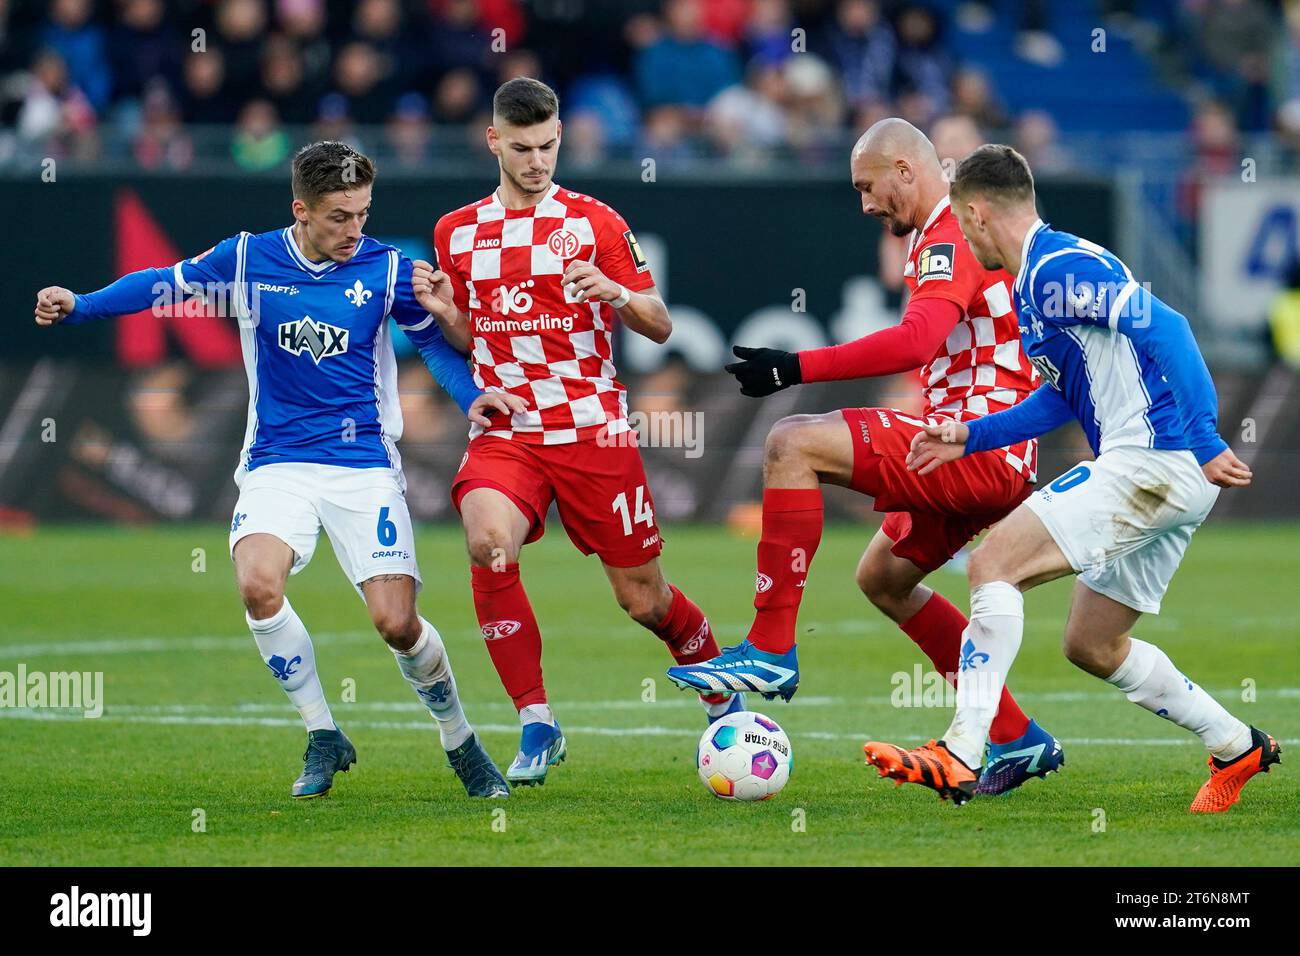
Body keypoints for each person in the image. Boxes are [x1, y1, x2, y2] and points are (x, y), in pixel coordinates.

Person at [33, 141, 521, 801]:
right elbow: (160, 285)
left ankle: (459, 739)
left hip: (363, 465)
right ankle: (323, 733)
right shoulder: (246, 259)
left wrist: (472, 401)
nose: (355, 230)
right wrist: (82, 302)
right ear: (301, 209)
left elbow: (434, 346)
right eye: (339, 217)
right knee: (258, 587)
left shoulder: (387, 270)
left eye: (362, 214)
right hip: (277, 462)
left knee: (396, 625)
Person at [865, 144, 1278, 812]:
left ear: (975, 214)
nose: (965, 242)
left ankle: (962, 750)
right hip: (1163, 469)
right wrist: (972, 435)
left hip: (1152, 459)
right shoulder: (1042, 277)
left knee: (993, 560)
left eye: (964, 228)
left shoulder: (1054, 270)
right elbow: (1063, 397)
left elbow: (1164, 324)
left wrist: (1203, 436)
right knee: (1093, 643)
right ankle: (1237, 745)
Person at [665, 118, 1062, 795]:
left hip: (974, 445)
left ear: (906, 170)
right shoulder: (943, 236)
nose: (865, 204)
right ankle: (1018, 738)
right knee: (882, 578)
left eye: (867, 187)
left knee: (793, 444)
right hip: (979, 451)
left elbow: (915, 343)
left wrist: (795, 367)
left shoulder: (951, 234)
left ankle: (769, 648)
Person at [410, 77, 744, 787]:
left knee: (642, 599)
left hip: (593, 429)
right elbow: (481, 338)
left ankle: (717, 682)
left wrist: (618, 293)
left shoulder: (595, 222)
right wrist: (446, 317)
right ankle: (536, 722)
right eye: (524, 147)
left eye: (550, 146)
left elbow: (659, 322)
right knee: (488, 544)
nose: (538, 161)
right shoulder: (456, 230)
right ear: (494, 141)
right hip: (510, 430)